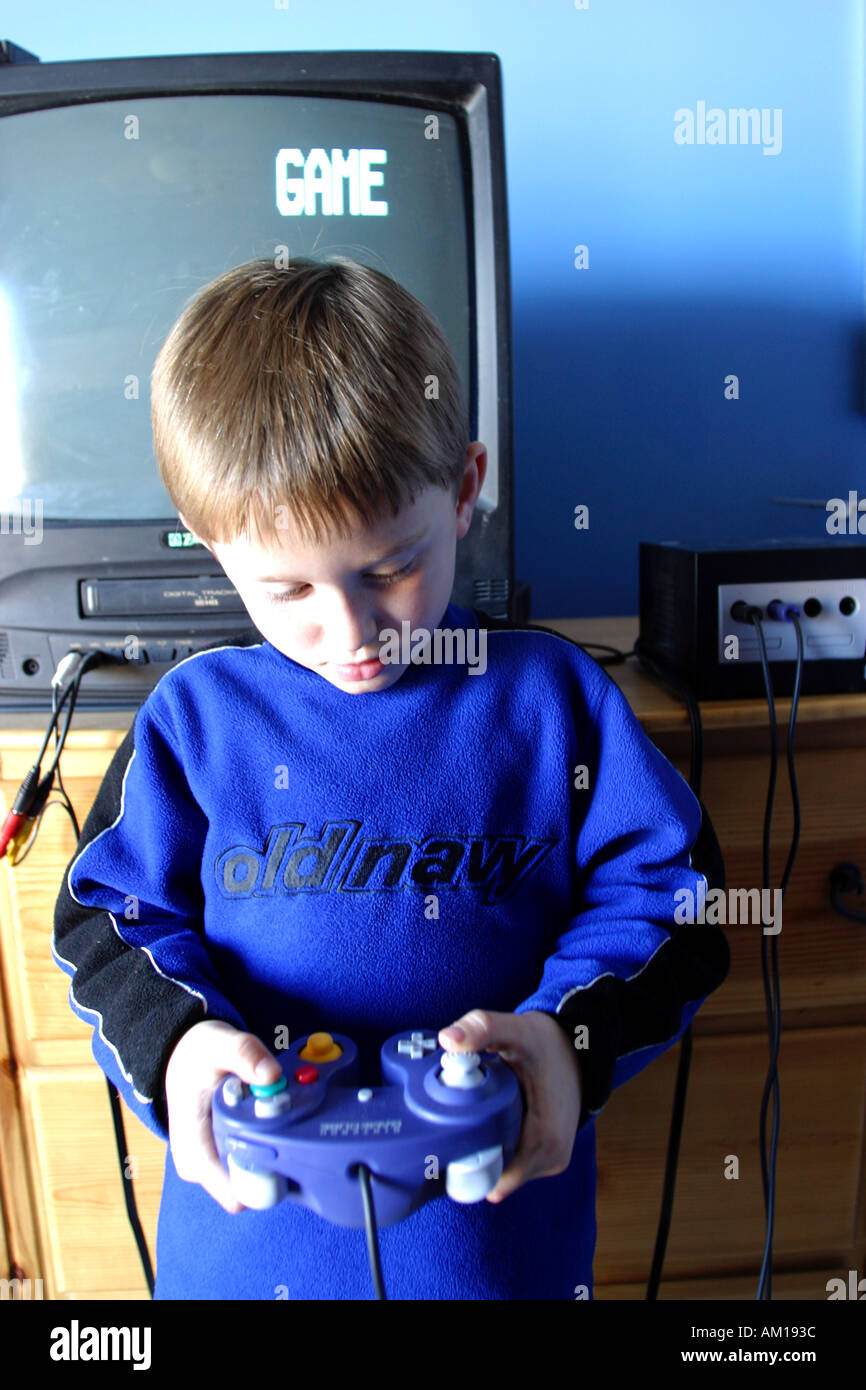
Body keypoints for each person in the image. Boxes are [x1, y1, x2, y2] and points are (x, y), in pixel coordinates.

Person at [52, 256, 730, 1300]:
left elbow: (677, 901)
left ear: (463, 490)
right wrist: (180, 1047)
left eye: (388, 567)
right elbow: (108, 924)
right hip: (246, 1263)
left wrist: (566, 1038)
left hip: (494, 1265)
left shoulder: (549, 702)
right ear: (216, 550)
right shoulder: (193, 722)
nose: (352, 631)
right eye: (286, 590)